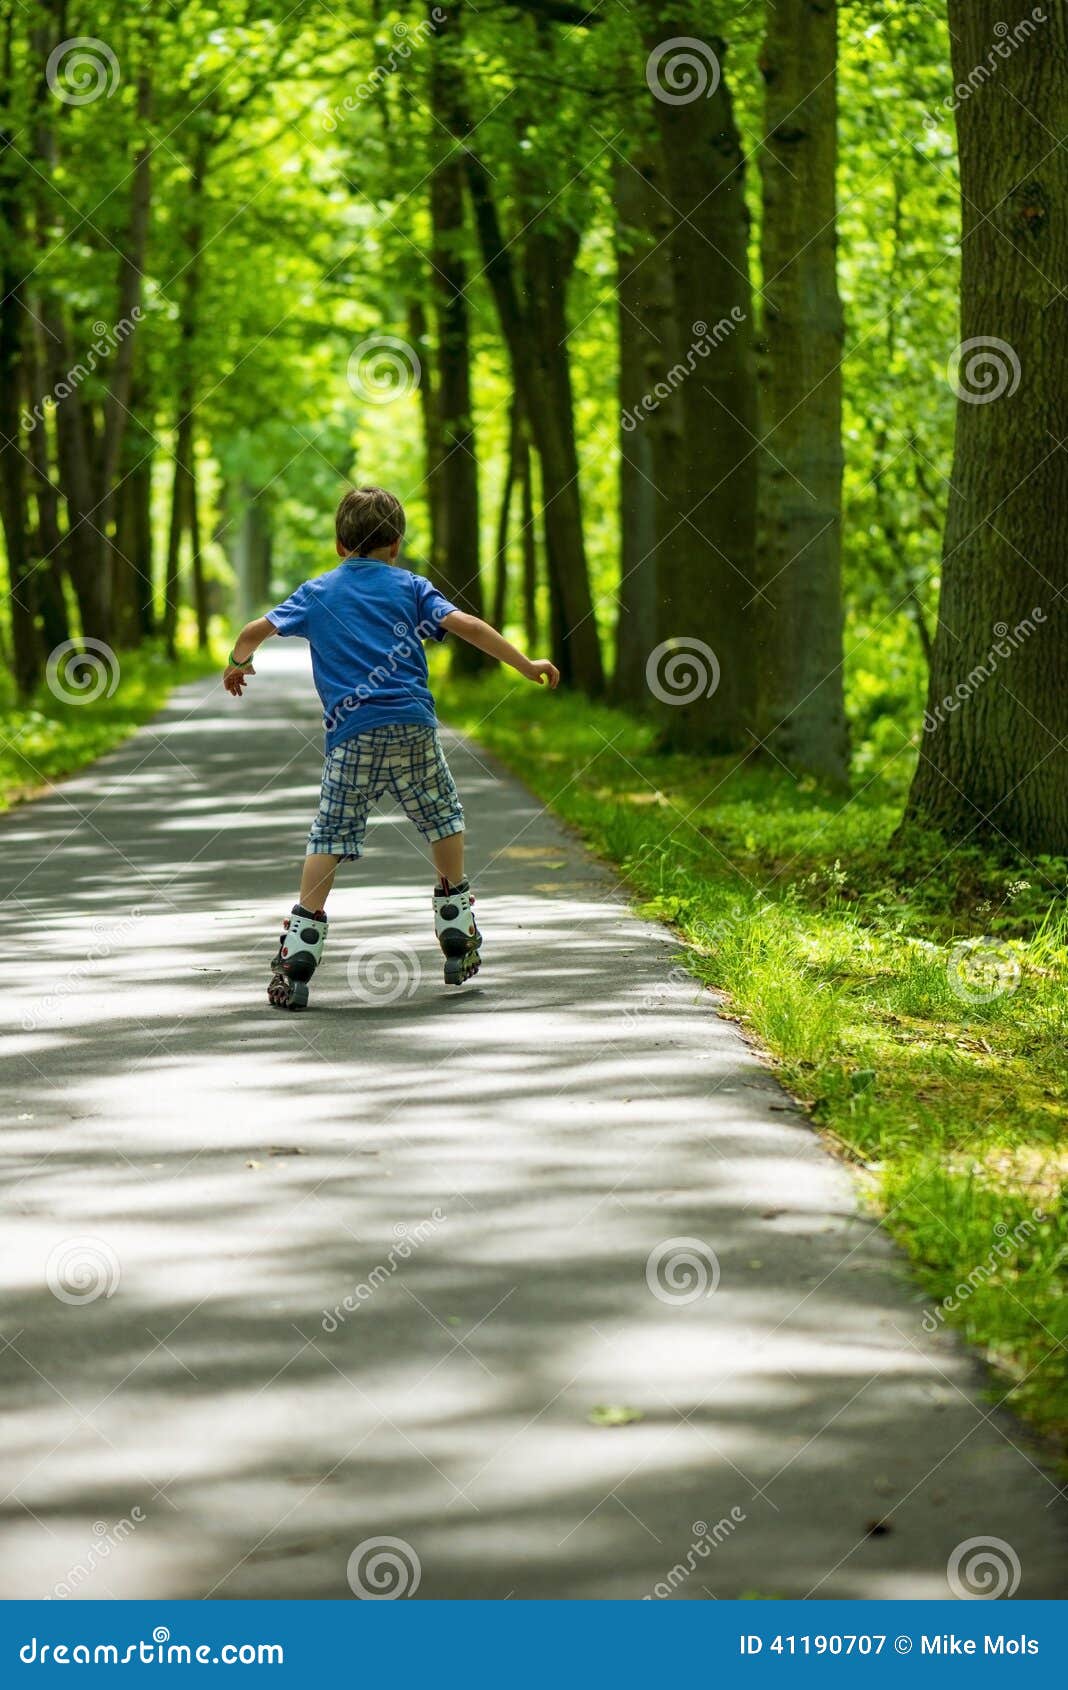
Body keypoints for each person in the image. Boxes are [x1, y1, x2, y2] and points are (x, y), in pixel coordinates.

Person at [223, 485, 560, 1009]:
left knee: (330, 836)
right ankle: (456, 927)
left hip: (351, 736)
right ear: (396, 544)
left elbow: (252, 630)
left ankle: (297, 957)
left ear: (340, 544)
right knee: (443, 817)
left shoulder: (317, 593)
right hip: (412, 727)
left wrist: (239, 662)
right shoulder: (411, 588)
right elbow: (466, 626)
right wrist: (526, 664)